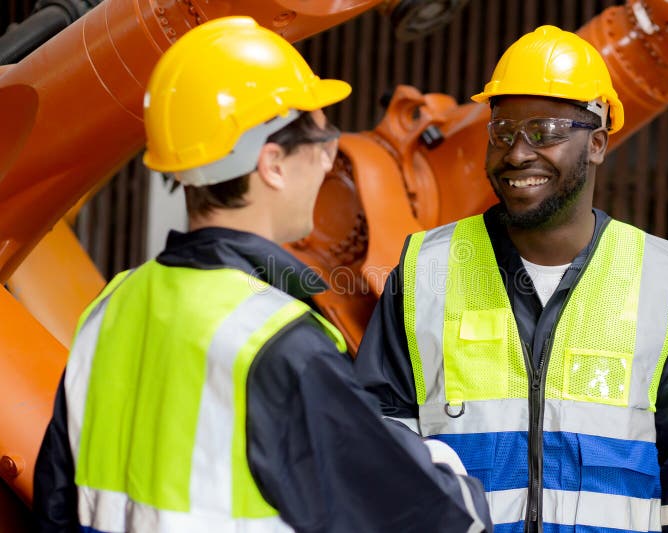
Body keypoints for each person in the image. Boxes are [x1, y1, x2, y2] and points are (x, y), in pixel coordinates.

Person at [32, 16, 492, 533]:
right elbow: (437, 519)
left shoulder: (108, 310)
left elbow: (54, 506)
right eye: (323, 145)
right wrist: (448, 470)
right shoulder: (277, 345)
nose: (327, 165)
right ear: (272, 163)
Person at [355, 25, 668, 533]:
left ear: (599, 143)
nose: (517, 154)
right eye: (503, 132)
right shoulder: (426, 269)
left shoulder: (664, 283)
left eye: (546, 133)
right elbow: (373, 455)